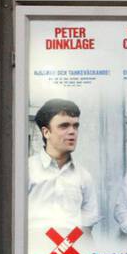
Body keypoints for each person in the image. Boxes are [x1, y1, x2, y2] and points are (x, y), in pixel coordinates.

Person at [26, 98, 99, 236]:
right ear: (46, 132)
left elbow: (87, 228)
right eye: (64, 126)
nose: (72, 132)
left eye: (75, 126)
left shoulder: (84, 176)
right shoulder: (27, 170)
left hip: (71, 250)